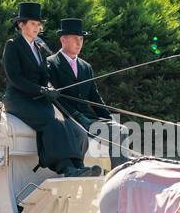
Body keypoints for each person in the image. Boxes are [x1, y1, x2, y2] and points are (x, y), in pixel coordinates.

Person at [1, 2, 96, 177]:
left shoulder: (38, 47)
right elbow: (15, 78)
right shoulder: (13, 45)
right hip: (18, 99)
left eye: (38, 24)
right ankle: (65, 167)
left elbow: (45, 77)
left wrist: (50, 89)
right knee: (50, 120)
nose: (37, 28)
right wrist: (40, 90)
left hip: (38, 98)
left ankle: (77, 164)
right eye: (32, 24)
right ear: (21, 24)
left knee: (67, 124)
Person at [46, 18, 123, 167]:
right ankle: (77, 171)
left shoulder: (85, 67)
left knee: (120, 130)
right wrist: (75, 116)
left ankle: (118, 175)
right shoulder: (50, 63)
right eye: (75, 38)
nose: (79, 43)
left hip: (88, 119)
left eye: (81, 39)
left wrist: (108, 118)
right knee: (79, 134)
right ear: (63, 40)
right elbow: (56, 99)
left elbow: (94, 97)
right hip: (66, 118)